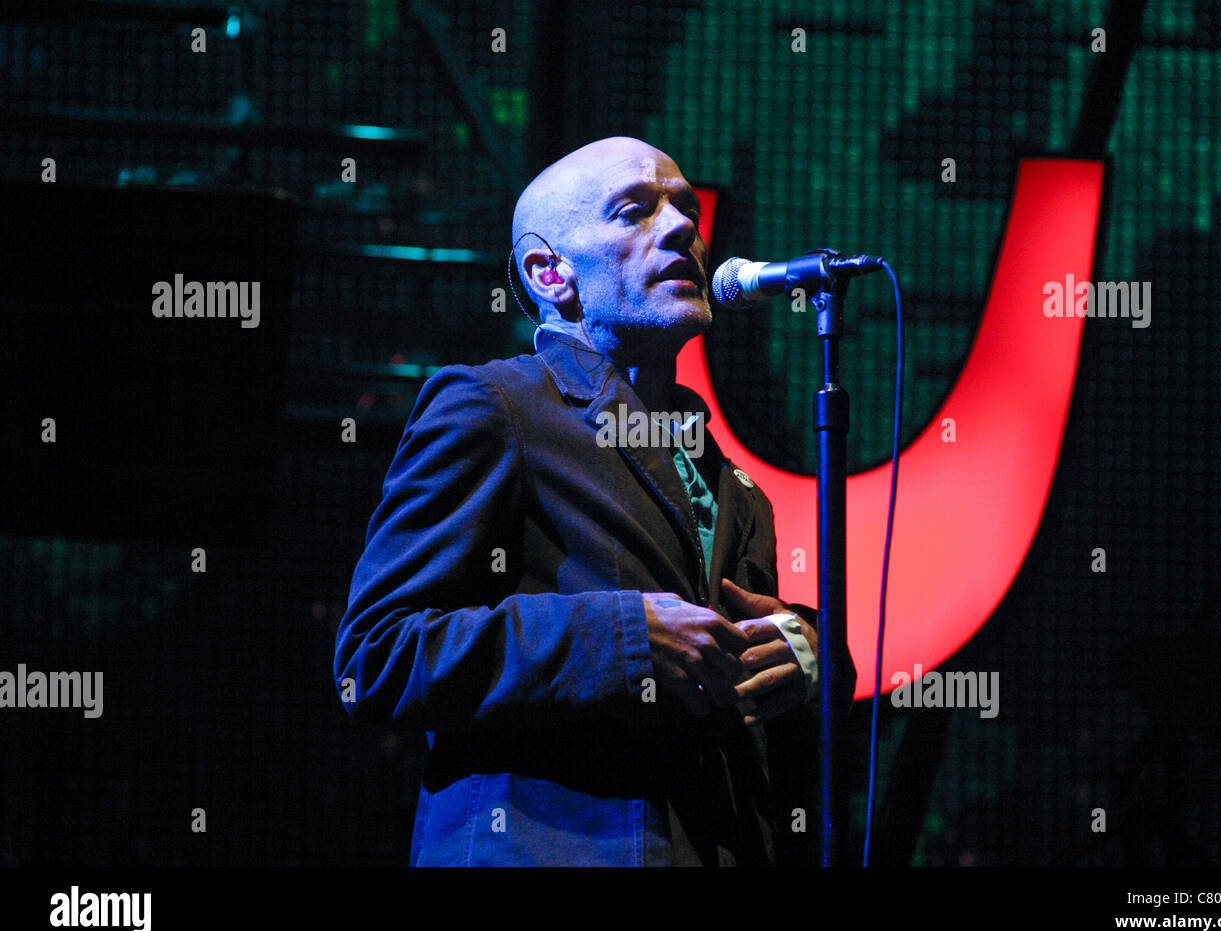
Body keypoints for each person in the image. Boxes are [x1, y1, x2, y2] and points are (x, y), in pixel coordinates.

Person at [335, 136, 854, 865]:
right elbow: (377, 655)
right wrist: (621, 640)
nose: (682, 229)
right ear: (550, 272)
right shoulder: (495, 407)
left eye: (688, 211)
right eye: (635, 211)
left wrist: (811, 655)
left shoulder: (733, 485)